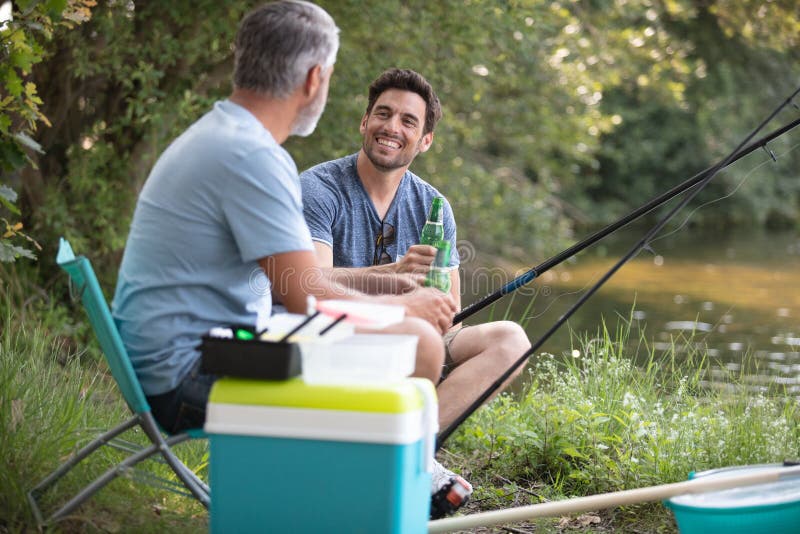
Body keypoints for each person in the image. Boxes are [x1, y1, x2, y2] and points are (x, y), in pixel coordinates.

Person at [112, 3, 454, 442]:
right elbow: (307, 298)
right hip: (187, 379)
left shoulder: (222, 133)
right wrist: (406, 307)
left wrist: (389, 284)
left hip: (174, 362)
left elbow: (300, 286)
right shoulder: (253, 156)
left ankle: (363, 483)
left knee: (405, 338)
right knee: (420, 344)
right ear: (314, 79)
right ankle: (360, 496)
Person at [300, 68, 532, 514]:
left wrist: (437, 310)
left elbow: (452, 310)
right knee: (416, 334)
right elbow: (312, 285)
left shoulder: (434, 206)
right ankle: (400, 463)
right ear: (364, 122)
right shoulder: (320, 188)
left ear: (425, 140)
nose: (392, 127)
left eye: (409, 121)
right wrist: (394, 277)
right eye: (383, 114)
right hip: (338, 337)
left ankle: (408, 454)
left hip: (416, 340)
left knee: (511, 340)